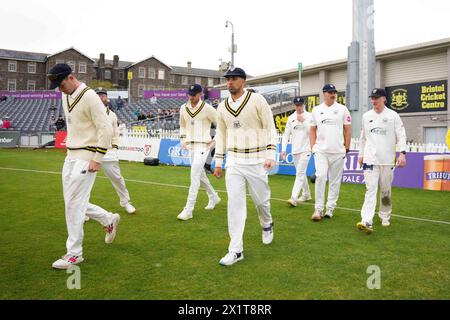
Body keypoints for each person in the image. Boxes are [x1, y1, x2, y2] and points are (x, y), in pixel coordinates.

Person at [47, 63, 120, 269]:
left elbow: (105, 128)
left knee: (73, 204)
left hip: (87, 156)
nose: (60, 89)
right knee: (72, 202)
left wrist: (97, 158)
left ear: (71, 77)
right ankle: (107, 219)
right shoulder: (64, 94)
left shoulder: (89, 97)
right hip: (71, 155)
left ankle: (74, 253)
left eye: (61, 84)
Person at [214, 67, 277, 266]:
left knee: (261, 201)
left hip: (257, 159)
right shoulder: (222, 106)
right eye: (228, 79)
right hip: (234, 160)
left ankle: (266, 223)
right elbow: (221, 135)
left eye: (233, 79)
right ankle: (236, 250)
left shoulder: (257, 100)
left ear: (244, 81)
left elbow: (269, 127)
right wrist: (218, 161)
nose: (229, 82)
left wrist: (271, 154)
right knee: (235, 204)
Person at [357, 88, 407, 234]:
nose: (374, 101)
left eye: (377, 98)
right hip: (370, 159)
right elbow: (362, 138)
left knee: (385, 190)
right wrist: (361, 155)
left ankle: (385, 215)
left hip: (387, 160)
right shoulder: (366, 116)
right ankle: (366, 220)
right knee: (370, 190)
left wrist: (402, 154)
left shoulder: (393, 115)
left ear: (384, 99)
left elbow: (401, 135)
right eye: (372, 98)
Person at [177, 84, 220, 221]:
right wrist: (183, 139)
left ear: (200, 94)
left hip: (203, 146)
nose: (191, 97)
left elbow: (221, 124)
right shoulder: (183, 108)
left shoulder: (207, 108)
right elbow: (182, 125)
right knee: (200, 175)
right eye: (189, 94)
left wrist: (215, 140)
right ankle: (213, 196)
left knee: (194, 176)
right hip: (191, 146)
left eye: (193, 94)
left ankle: (188, 209)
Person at [309, 84, 351, 221]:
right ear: (324, 94)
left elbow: (348, 129)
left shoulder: (343, 109)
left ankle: (330, 208)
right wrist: (312, 147)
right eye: (330, 92)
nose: (333, 94)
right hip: (321, 151)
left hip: (338, 152)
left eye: (334, 92)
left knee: (335, 181)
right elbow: (312, 130)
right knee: (320, 176)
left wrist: (347, 147)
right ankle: (318, 209)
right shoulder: (316, 110)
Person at [95, 87, 136, 214]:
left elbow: (115, 133)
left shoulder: (112, 115)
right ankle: (83, 209)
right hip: (91, 151)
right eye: (98, 95)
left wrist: (115, 146)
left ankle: (125, 202)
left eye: (103, 95)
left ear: (107, 97)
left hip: (108, 151)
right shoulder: (90, 112)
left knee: (117, 178)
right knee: (84, 181)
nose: (101, 98)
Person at [281, 96, 313, 207]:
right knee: (301, 174)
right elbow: (286, 135)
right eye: (297, 105)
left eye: (300, 105)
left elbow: (312, 132)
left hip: (306, 149)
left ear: (303, 104)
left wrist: (303, 121)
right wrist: (283, 150)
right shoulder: (291, 118)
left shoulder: (310, 116)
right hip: (295, 150)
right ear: (294, 105)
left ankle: (293, 198)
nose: (299, 107)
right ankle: (307, 194)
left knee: (299, 173)